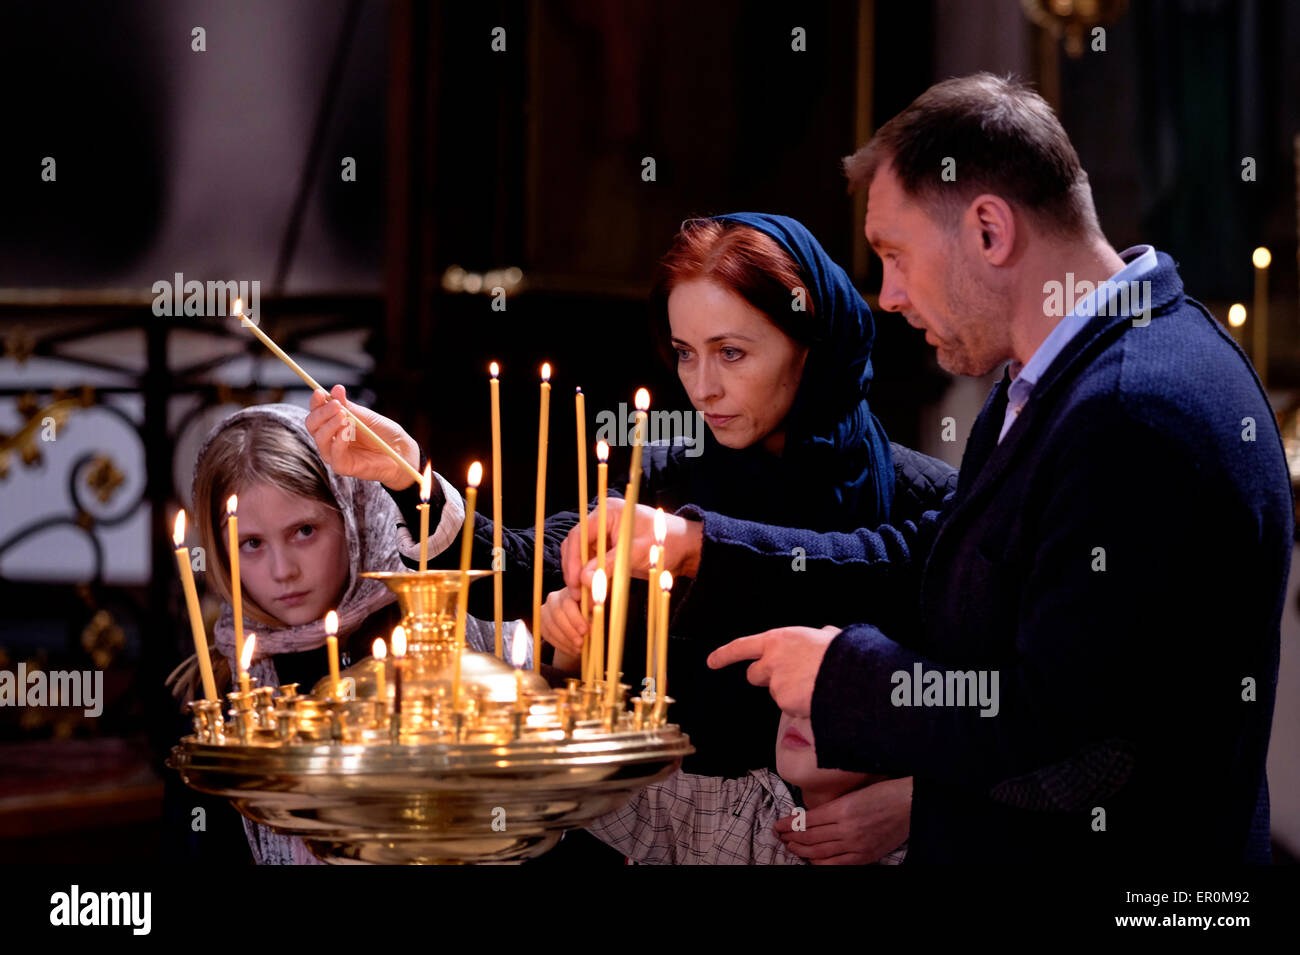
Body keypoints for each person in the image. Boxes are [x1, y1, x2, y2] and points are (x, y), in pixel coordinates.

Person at [707, 74, 1292, 864]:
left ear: (988, 229)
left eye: (894, 255)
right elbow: (939, 556)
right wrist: (701, 546)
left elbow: (1054, 727)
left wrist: (845, 677)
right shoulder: (1056, 372)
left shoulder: (1132, 410)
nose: (888, 296)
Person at [306, 212, 954, 864]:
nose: (702, 387)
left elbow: (1000, 700)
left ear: (811, 345)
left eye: (731, 352)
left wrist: (915, 798)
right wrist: (405, 473)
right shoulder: (665, 473)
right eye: (684, 353)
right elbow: (517, 565)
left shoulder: (924, 498)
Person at [170, 403, 510, 864]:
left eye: (304, 531)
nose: (282, 570)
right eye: (252, 544)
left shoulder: (435, 638)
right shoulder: (220, 692)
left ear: (353, 515)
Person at [585, 711, 907, 865]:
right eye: (795, 684)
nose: (798, 705)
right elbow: (579, 782)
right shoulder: (727, 811)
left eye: (838, 695)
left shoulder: (941, 836)